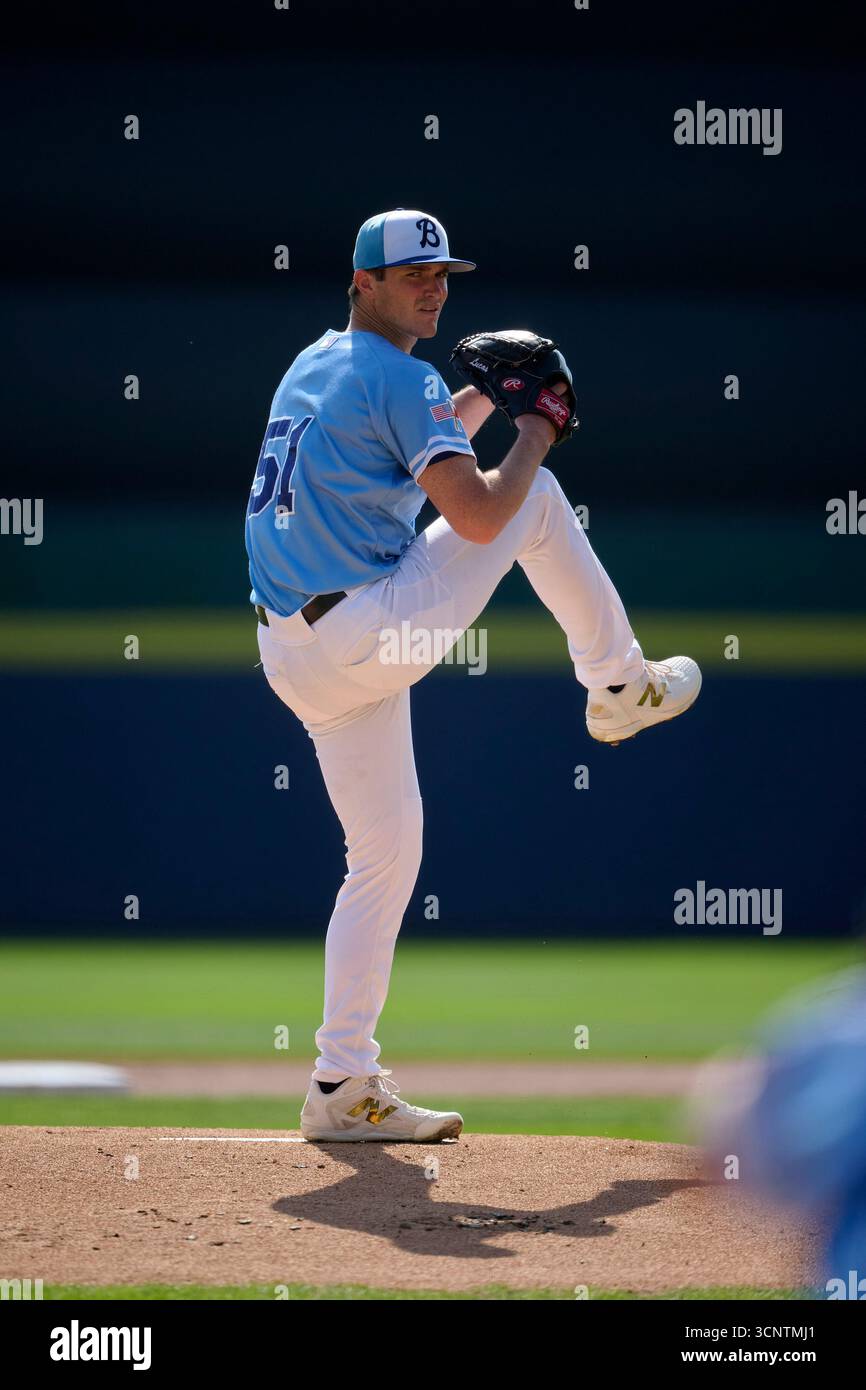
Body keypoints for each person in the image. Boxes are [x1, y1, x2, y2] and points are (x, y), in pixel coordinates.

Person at [244, 208, 702, 1142]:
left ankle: (341, 1086)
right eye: (412, 274)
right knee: (533, 505)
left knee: (384, 856)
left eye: (443, 273)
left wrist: (480, 397)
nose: (433, 288)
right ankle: (617, 684)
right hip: (365, 633)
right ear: (362, 281)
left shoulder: (317, 363)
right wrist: (535, 424)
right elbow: (484, 513)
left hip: (298, 652)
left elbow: (406, 459)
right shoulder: (404, 379)